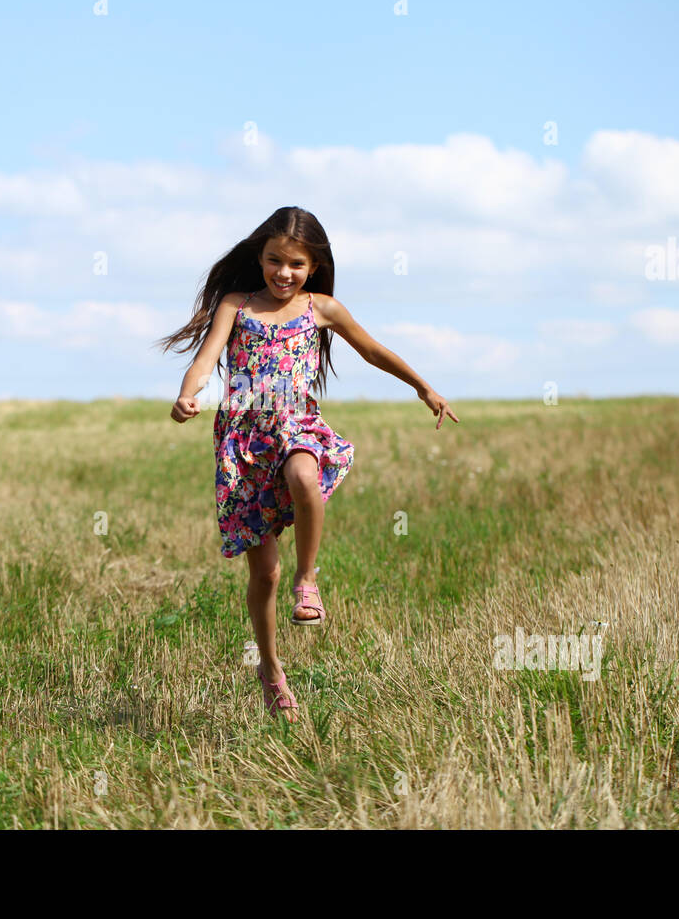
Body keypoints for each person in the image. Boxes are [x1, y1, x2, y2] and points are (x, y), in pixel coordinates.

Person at [155, 206, 458, 722]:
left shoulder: (323, 308)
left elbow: (373, 351)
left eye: (296, 263)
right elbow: (205, 360)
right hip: (244, 441)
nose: (283, 273)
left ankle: (309, 578)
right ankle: (271, 669)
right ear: (260, 257)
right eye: (274, 260)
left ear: (313, 266)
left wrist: (423, 386)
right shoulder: (236, 303)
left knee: (303, 474)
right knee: (263, 575)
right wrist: (189, 396)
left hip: (296, 424)